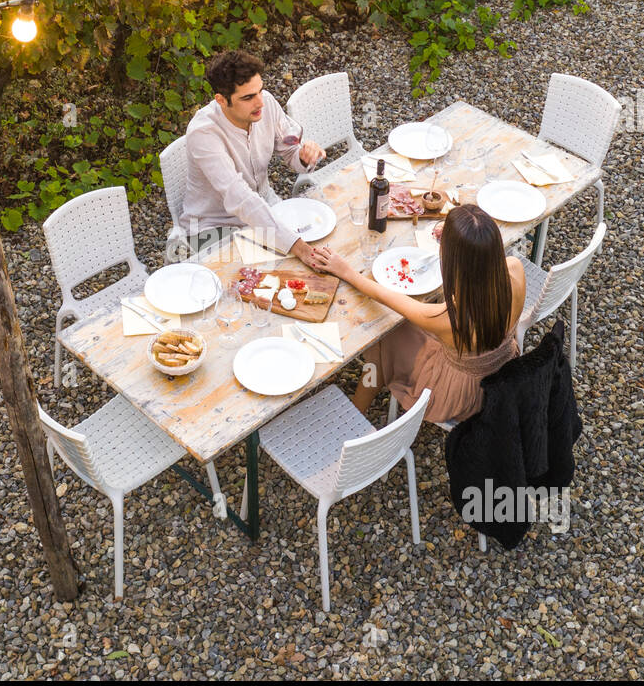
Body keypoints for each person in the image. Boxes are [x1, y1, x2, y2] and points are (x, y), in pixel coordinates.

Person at [307, 204, 527, 424]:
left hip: (460, 393)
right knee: (396, 329)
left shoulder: (449, 319)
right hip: (503, 370)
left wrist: (345, 270)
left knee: (383, 331)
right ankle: (369, 390)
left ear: (454, 261)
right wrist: (455, 236)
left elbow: (388, 298)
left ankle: (355, 414)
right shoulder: (514, 269)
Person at [179, 50, 326, 266]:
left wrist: (304, 156)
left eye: (260, 90)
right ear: (221, 100)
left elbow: (289, 150)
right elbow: (239, 197)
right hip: (213, 227)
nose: (260, 103)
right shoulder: (203, 133)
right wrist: (297, 246)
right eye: (248, 97)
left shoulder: (265, 103)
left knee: (322, 242)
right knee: (268, 276)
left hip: (265, 205)